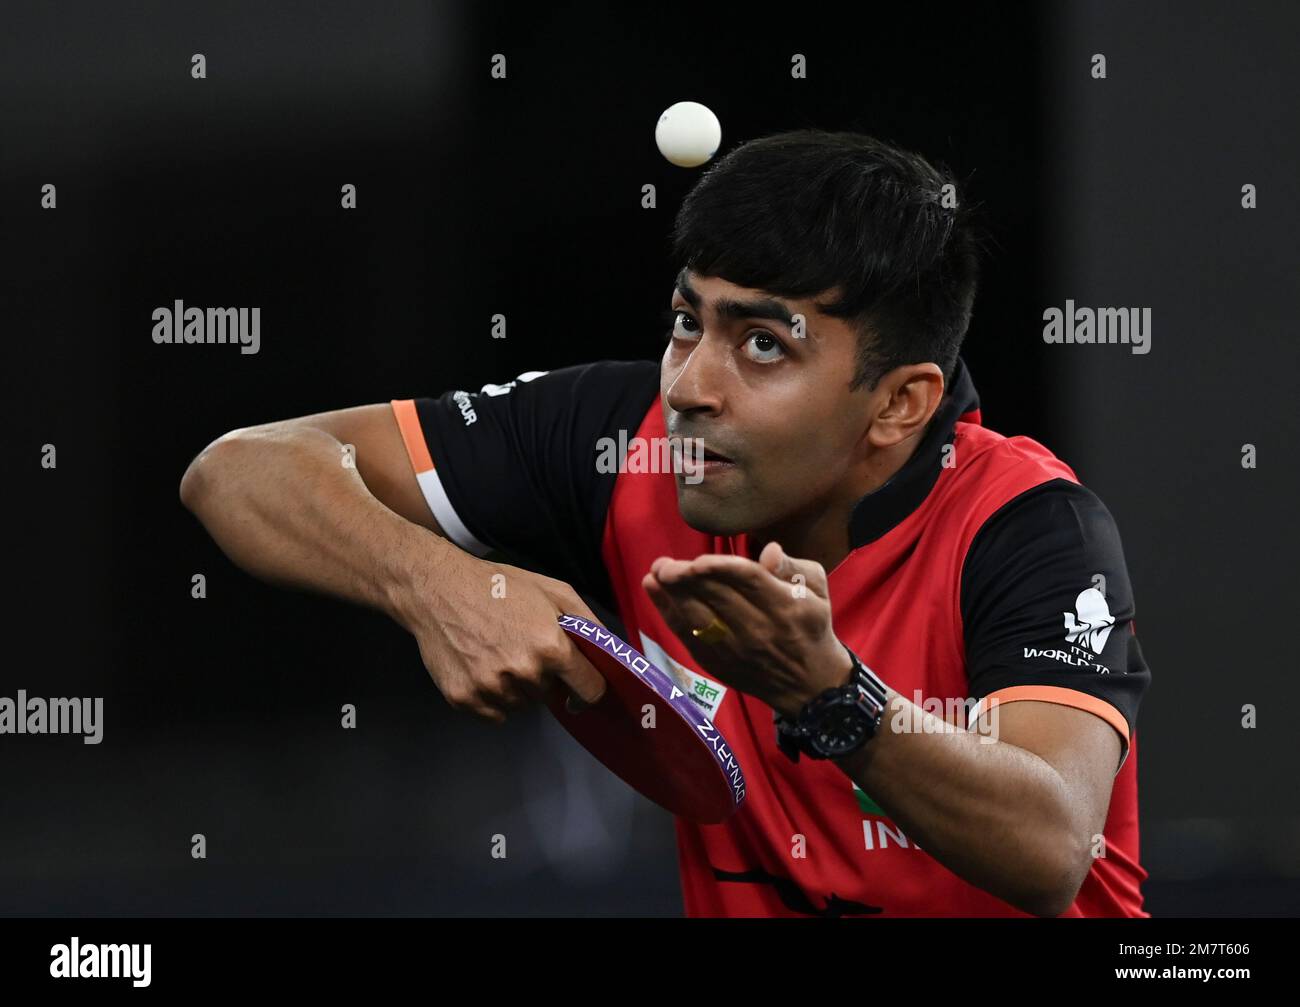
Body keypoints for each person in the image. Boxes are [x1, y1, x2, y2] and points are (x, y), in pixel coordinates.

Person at [180, 130, 1150, 917]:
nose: (689, 385)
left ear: (898, 403)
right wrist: (437, 582)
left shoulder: (1029, 526)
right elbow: (239, 471)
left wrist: (831, 694)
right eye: (688, 321)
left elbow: (1051, 845)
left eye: (762, 344)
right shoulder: (622, 447)